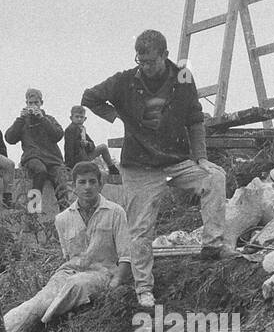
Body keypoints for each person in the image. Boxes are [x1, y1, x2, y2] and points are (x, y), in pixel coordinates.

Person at [82, 28, 225, 308]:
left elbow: (195, 119)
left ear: (165, 56)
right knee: (141, 230)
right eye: (141, 61)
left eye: (151, 61)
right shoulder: (124, 81)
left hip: (176, 161)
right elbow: (90, 96)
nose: (145, 67)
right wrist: (117, 116)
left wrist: (201, 157)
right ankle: (144, 288)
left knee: (215, 178)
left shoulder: (183, 78)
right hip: (140, 167)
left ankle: (214, 246)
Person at [3, 159, 132, 332]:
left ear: (100, 184)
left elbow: (126, 254)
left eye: (92, 181)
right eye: (82, 182)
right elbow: (68, 256)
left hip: (102, 273)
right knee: (37, 301)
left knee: (76, 285)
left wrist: (116, 282)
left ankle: (42, 323)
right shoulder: (62, 218)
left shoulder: (115, 212)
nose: (87, 187)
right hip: (69, 271)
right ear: (74, 186)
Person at [6, 88, 69, 211]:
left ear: (41, 103)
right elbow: (10, 139)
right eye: (30, 103)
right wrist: (20, 119)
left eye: (36, 103)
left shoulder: (49, 119)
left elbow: (58, 135)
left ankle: (66, 213)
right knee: (40, 171)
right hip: (32, 157)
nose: (33, 106)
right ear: (26, 103)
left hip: (52, 159)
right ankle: (33, 210)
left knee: (60, 179)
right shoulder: (23, 121)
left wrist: (42, 119)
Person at [63, 105, 119, 178]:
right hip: (76, 161)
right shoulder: (70, 129)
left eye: (81, 117)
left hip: (85, 157)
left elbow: (92, 145)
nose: (79, 119)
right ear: (71, 118)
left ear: (85, 119)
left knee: (103, 147)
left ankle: (112, 168)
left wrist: (87, 144)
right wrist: (69, 167)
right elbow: (68, 149)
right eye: (77, 117)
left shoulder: (82, 129)